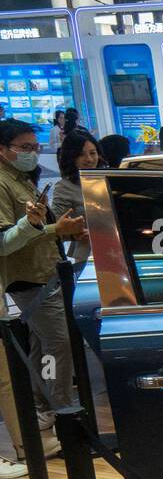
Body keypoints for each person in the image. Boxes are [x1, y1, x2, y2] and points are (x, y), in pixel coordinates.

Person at [0, 119, 85, 448]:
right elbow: (5, 242)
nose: (33, 153)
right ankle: (65, 416)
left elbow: (32, 230)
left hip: (45, 273)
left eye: (35, 148)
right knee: (58, 346)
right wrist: (34, 223)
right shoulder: (3, 183)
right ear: (3, 149)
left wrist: (56, 230)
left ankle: (44, 413)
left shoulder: (20, 178)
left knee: (44, 347)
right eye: (25, 148)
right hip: (28, 281)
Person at [52, 129, 102, 269]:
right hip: (88, 255)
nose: (89, 159)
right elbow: (57, 227)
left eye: (93, 153)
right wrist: (75, 233)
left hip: (119, 250)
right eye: (81, 155)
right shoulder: (64, 187)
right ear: (71, 157)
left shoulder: (108, 179)